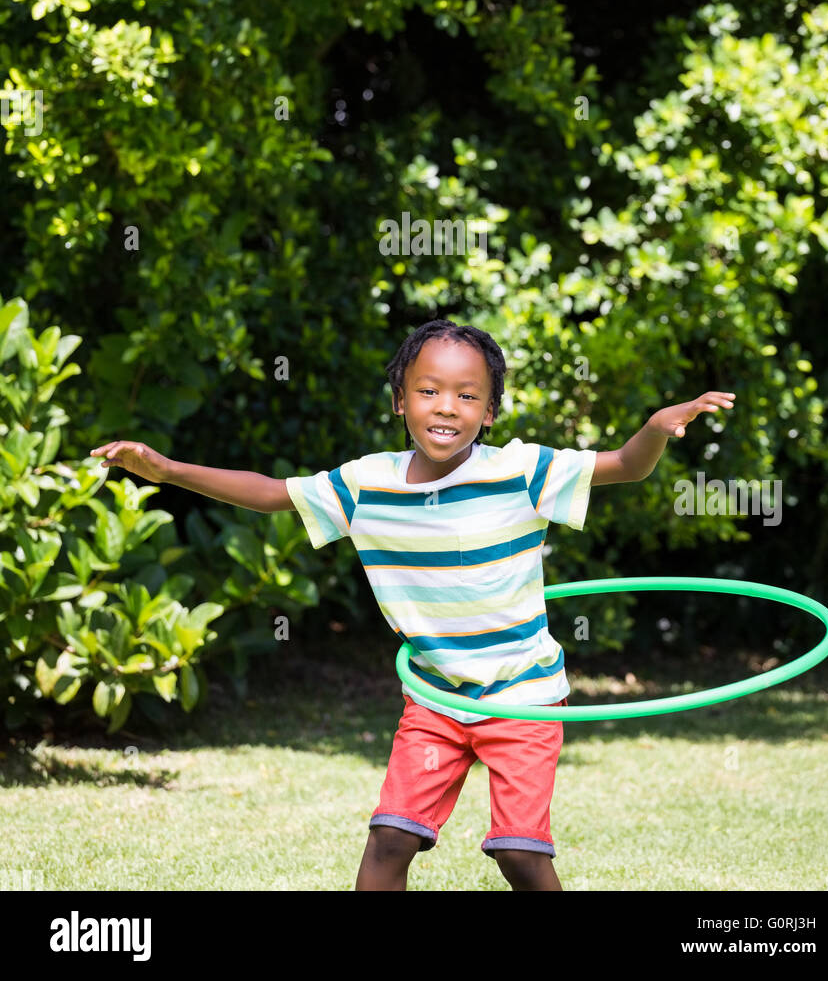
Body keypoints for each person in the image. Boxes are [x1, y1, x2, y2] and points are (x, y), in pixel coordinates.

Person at [91, 318, 734, 891]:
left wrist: (655, 429)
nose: (445, 407)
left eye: (467, 395)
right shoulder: (365, 483)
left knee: (518, 853)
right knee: (390, 839)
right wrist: (169, 471)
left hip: (523, 693)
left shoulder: (520, 471)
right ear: (401, 401)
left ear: (489, 411)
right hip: (433, 696)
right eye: (428, 391)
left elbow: (624, 464)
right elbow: (268, 493)